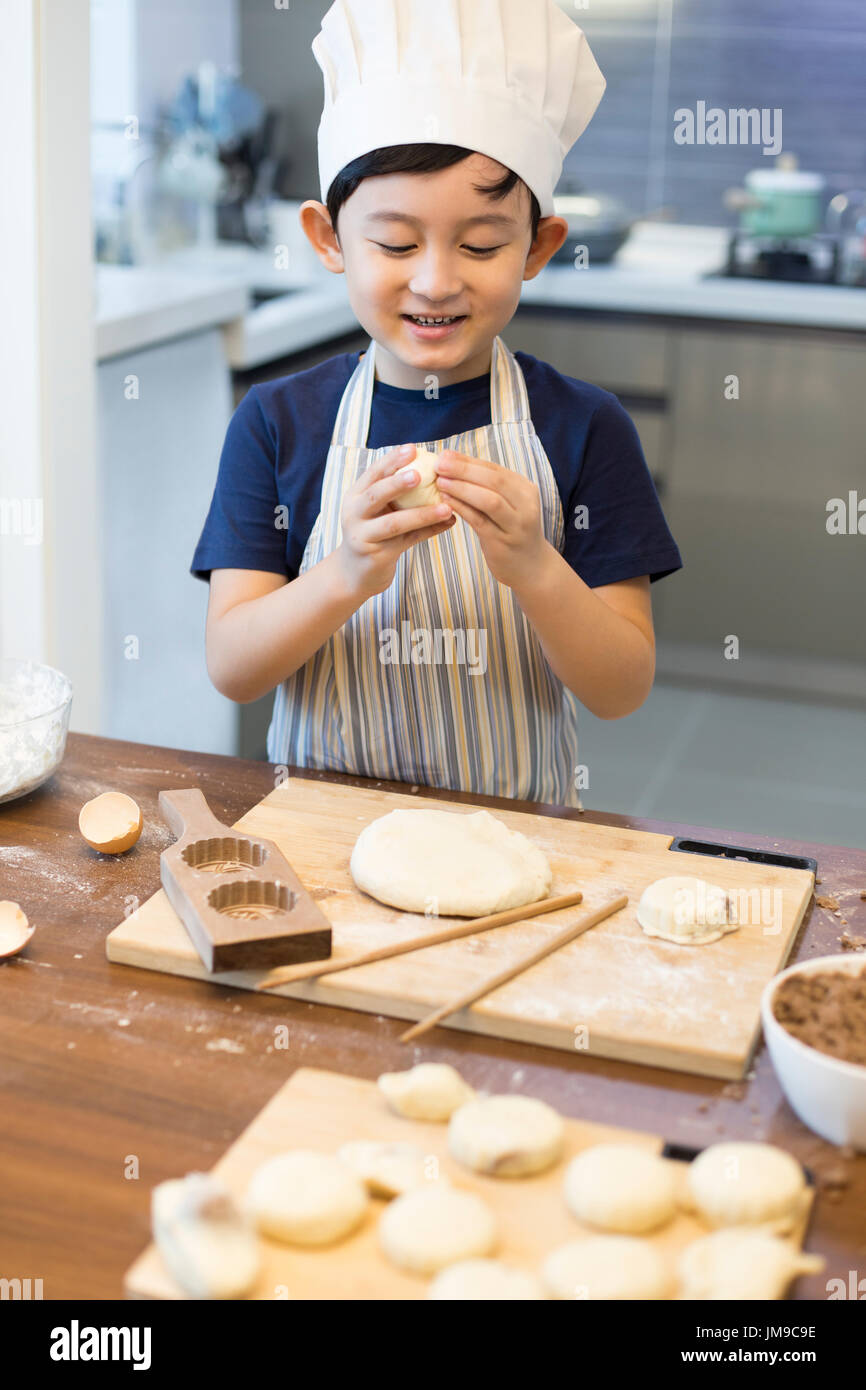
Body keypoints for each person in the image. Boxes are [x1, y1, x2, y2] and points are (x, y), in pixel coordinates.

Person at [191, 0, 682, 810]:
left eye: (483, 244)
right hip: (322, 843)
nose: (436, 280)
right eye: (395, 243)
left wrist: (535, 568)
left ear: (538, 248)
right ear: (328, 239)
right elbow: (233, 669)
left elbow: (620, 687)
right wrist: (345, 573)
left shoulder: (585, 428)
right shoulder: (277, 425)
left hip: (517, 847)